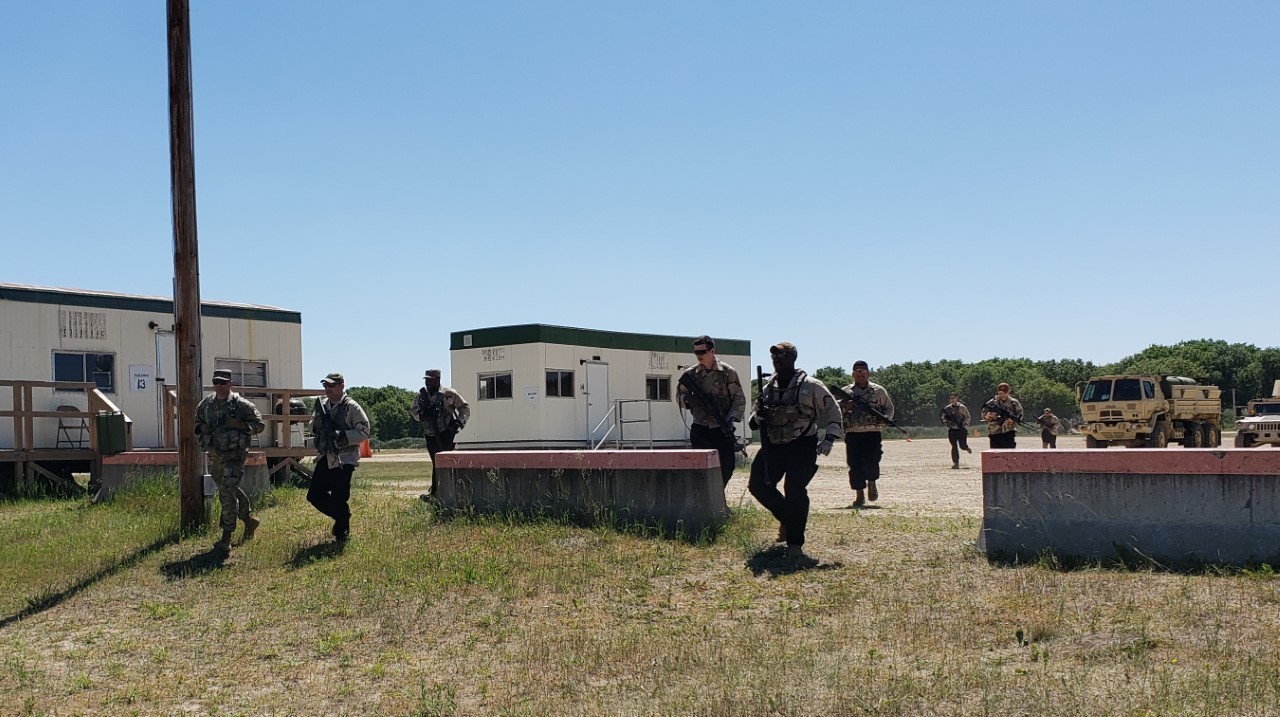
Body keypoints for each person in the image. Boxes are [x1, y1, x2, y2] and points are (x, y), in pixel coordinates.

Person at [748, 341, 843, 559]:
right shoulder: (767, 388)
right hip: (773, 445)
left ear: (792, 358)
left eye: (782, 357)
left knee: (795, 490)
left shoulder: (811, 386)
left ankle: (794, 543)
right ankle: (787, 518)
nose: (777, 361)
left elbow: (833, 411)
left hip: (802, 445)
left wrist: (829, 438)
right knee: (758, 485)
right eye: (774, 357)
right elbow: (753, 420)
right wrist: (757, 417)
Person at [195, 368, 266, 553]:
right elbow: (197, 423)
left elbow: (259, 425)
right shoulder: (206, 405)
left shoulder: (241, 405)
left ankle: (226, 537)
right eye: (216, 382)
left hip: (235, 456)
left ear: (230, 383)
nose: (219, 386)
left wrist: (240, 425)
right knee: (228, 490)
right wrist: (201, 429)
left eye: (223, 382)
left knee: (227, 492)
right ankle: (249, 520)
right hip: (216, 455)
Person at [677, 335, 746, 486]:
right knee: (700, 470)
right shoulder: (690, 374)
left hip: (721, 427)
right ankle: (705, 497)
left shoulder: (727, 372)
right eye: (696, 352)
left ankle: (718, 494)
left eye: (702, 352)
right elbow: (679, 397)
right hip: (700, 428)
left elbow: (739, 399)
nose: (699, 355)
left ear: (712, 351)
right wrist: (689, 400)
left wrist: (731, 419)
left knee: (727, 467)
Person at [308, 372, 370, 541]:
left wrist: (343, 435)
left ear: (342, 386)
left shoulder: (352, 407)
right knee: (314, 495)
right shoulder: (322, 405)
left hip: (345, 459)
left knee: (339, 497)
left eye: (331, 385)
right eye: (325, 385)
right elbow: (312, 427)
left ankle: (342, 534)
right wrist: (319, 424)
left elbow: (364, 431)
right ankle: (342, 516)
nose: (328, 388)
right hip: (325, 456)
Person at [838, 360, 894, 507]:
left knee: (872, 460)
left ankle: (872, 482)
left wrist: (886, 419)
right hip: (853, 432)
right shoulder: (846, 392)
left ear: (868, 373)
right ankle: (859, 494)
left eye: (862, 371)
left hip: (872, 432)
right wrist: (845, 406)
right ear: (852, 374)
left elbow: (889, 408)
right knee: (854, 464)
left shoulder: (879, 391)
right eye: (856, 372)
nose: (860, 374)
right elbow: (835, 410)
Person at [411, 369, 471, 500]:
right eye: (426, 380)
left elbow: (465, 408)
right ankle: (437, 491)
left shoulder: (449, 394)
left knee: (445, 461)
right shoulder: (422, 396)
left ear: (437, 379)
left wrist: (459, 422)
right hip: (430, 434)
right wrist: (423, 414)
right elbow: (414, 412)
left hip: (446, 433)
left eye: (430, 380)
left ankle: (443, 490)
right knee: (436, 462)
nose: (428, 383)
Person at [981, 382, 1024, 449]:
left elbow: (1020, 413)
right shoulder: (992, 402)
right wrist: (990, 416)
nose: (1002, 394)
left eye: (1004, 392)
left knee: (1009, 453)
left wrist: (1012, 420)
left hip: (1008, 431)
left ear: (1008, 391)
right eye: (1000, 392)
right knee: (995, 453)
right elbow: (984, 413)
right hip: (995, 431)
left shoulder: (1014, 403)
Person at [939, 392, 973, 469]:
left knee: (962, 446)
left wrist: (964, 424)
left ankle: (966, 448)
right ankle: (956, 463)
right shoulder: (947, 409)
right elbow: (943, 418)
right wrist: (948, 423)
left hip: (961, 429)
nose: (952, 400)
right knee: (954, 446)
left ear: (957, 398)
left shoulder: (962, 407)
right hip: (952, 430)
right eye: (951, 398)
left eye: (953, 398)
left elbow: (967, 417)